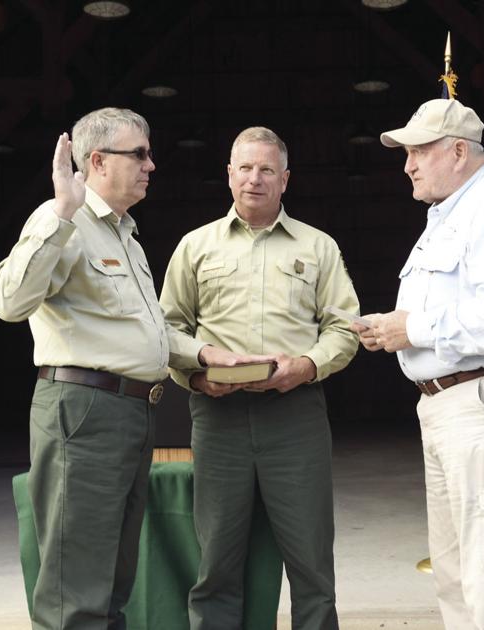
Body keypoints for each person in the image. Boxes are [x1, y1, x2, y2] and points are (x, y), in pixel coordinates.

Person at [0, 107, 263, 630]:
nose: (151, 165)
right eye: (139, 154)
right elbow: (7, 301)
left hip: (131, 414)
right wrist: (61, 214)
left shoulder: (123, 235)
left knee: (113, 580)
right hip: (84, 412)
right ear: (96, 160)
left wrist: (205, 355)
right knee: (76, 589)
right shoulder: (62, 221)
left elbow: (147, 331)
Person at [354, 98, 484, 630]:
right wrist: (394, 327)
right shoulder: (448, 216)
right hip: (453, 407)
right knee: (457, 576)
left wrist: (415, 329)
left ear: (457, 151)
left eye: (418, 150)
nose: (408, 164)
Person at [160, 127, 359, 630]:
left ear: (285, 179)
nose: (255, 179)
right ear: (229, 175)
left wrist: (307, 366)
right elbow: (165, 329)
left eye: (267, 169)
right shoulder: (195, 247)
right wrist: (198, 379)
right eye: (245, 168)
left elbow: (344, 328)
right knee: (217, 562)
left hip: (295, 414)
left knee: (312, 561)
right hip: (217, 415)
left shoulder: (319, 247)